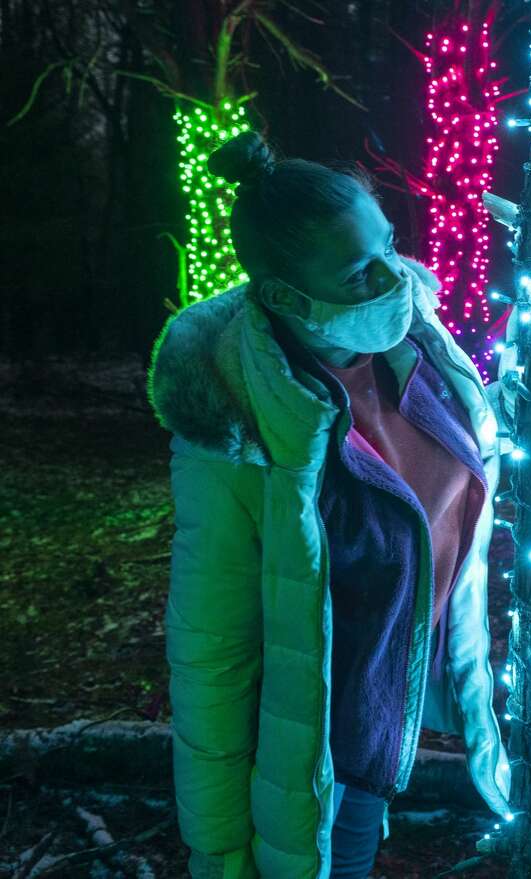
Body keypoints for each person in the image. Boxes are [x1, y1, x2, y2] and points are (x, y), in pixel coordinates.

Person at [147, 130, 511, 878]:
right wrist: (218, 852)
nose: (395, 278)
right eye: (358, 271)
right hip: (311, 760)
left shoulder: (420, 344)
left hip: (383, 719)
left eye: (388, 244)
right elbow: (210, 656)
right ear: (283, 296)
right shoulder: (237, 429)